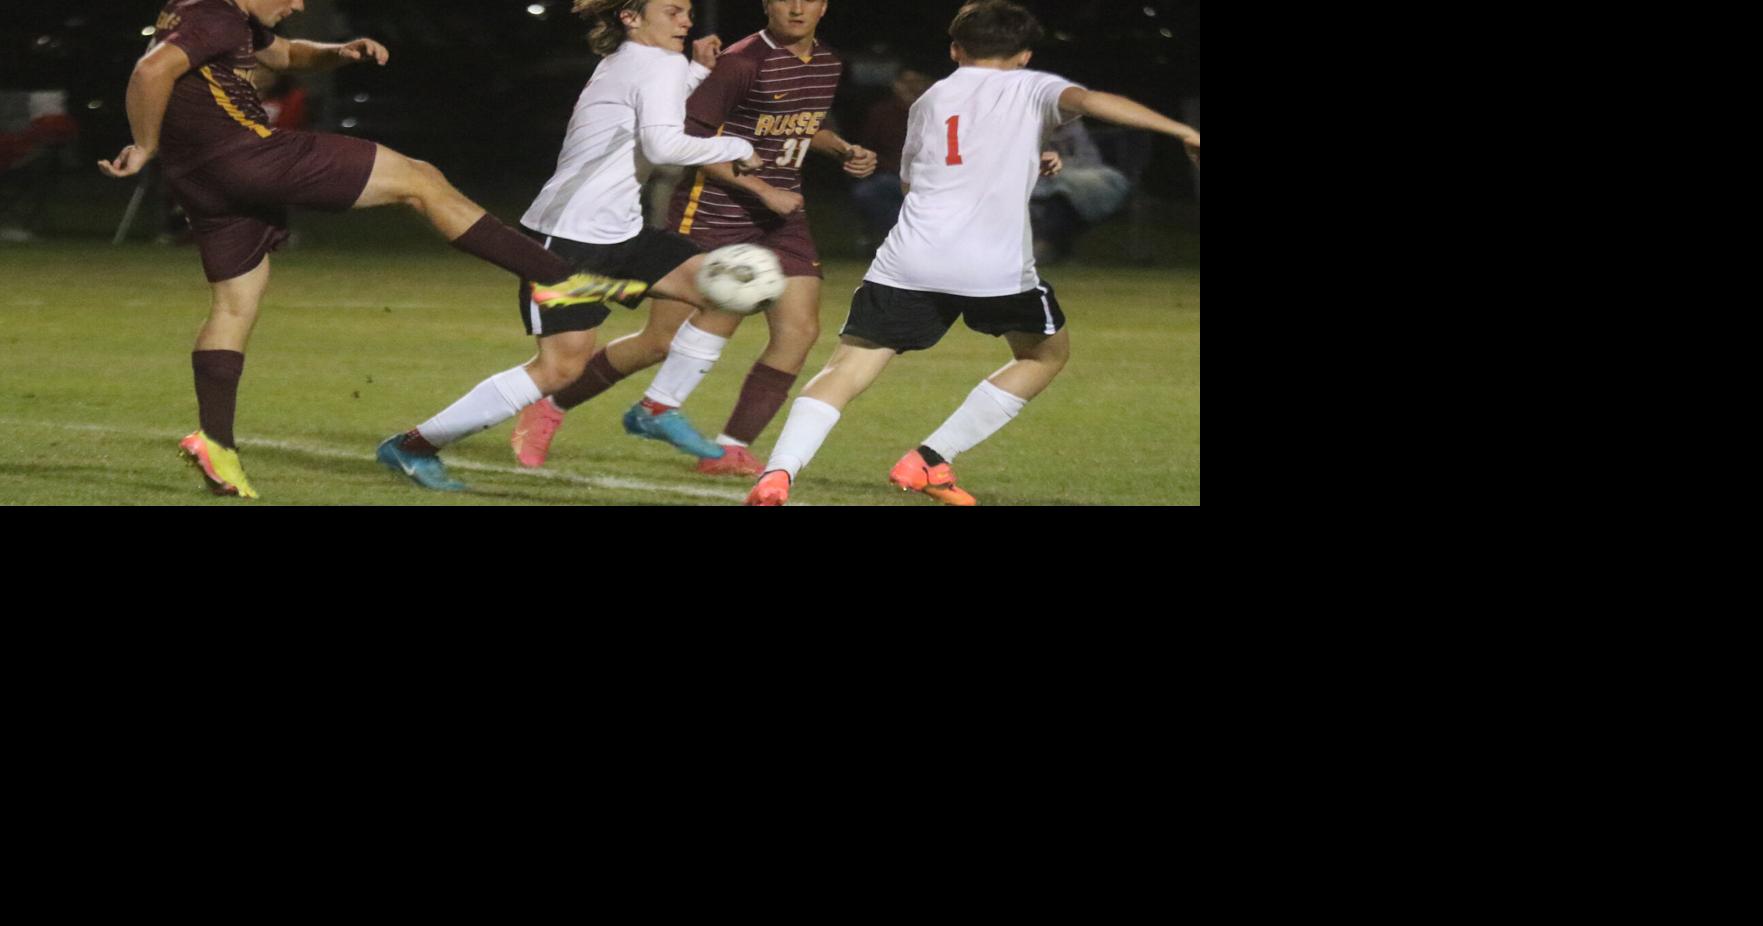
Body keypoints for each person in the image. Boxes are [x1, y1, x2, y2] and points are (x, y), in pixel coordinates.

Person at [99, 0, 643, 500]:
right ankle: (558, 275)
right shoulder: (218, 14)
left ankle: (216, 442)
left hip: (200, 178)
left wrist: (339, 53)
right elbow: (151, 70)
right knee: (421, 180)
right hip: (247, 154)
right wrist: (143, 144)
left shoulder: (204, 13)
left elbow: (285, 54)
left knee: (236, 304)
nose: (297, 6)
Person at [745, 0, 1199, 506]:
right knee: (1044, 354)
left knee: (847, 368)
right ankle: (930, 459)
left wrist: (1027, 155)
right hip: (994, 269)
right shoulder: (1033, 86)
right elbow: (1093, 102)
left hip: (910, 258)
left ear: (956, 48)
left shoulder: (932, 99)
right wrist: (1181, 131)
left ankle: (778, 474)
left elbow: (913, 179)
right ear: (1025, 54)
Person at [373, 0, 764, 491]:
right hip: (568, 240)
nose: (686, 21)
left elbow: (649, 112)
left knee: (727, 290)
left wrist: (696, 73)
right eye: (673, 10)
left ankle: (657, 408)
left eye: (687, 10)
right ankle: (412, 445)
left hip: (622, 233)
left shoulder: (641, 61)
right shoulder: (653, 63)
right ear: (632, 17)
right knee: (560, 368)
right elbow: (664, 145)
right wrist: (739, 148)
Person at [505, 0, 877, 478]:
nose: (797, 7)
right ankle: (551, 406)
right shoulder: (741, 62)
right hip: (715, 211)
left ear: (826, 6)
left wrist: (842, 148)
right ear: (767, 4)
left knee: (799, 332)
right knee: (659, 340)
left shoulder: (828, 62)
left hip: (783, 214)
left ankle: (729, 448)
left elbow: (802, 126)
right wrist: (758, 186)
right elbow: (684, 141)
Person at [849, 62, 932, 251]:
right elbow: (869, 146)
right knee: (867, 192)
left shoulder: (935, 110)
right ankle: (902, 237)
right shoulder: (881, 112)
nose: (912, 87)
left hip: (928, 177)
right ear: (896, 84)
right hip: (891, 175)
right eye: (907, 82)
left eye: (917, 82)